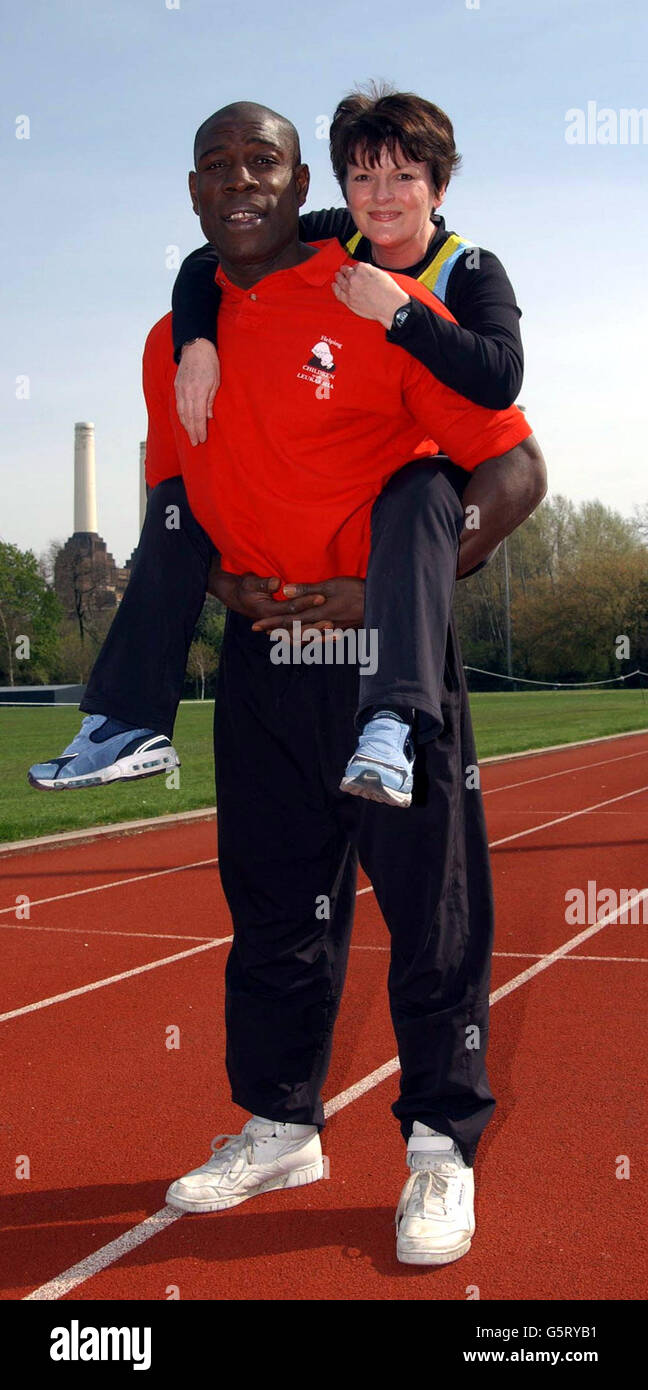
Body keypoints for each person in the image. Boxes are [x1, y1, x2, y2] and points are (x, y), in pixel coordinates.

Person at [38, 101, 545, 1266]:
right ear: (193, 191)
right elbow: (178, 506)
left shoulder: (371, 291)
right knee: (273, 912)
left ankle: (437, 1148)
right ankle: (279, 1124)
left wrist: (384, 588)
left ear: (297, 177)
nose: (239, 182)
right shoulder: (179, 339)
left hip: (383, 661)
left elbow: (514, 467)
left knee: (431, 914)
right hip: (267, 665)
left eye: (260, 160)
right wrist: (227, 585)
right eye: (215, 166)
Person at [29, 86, 539, 805]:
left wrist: (398, 313)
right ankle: (129, 720)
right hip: (278, 619)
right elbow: (217, 251)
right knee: (174, 502)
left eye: (403, 177)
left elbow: (501, 380)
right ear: (333, 188)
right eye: (363, 177)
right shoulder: (338, 239)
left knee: (420, 489)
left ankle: (393, 716)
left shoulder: (468, 269)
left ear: (440, 186)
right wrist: (197, 337)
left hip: (428, 502)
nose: (381, 196)